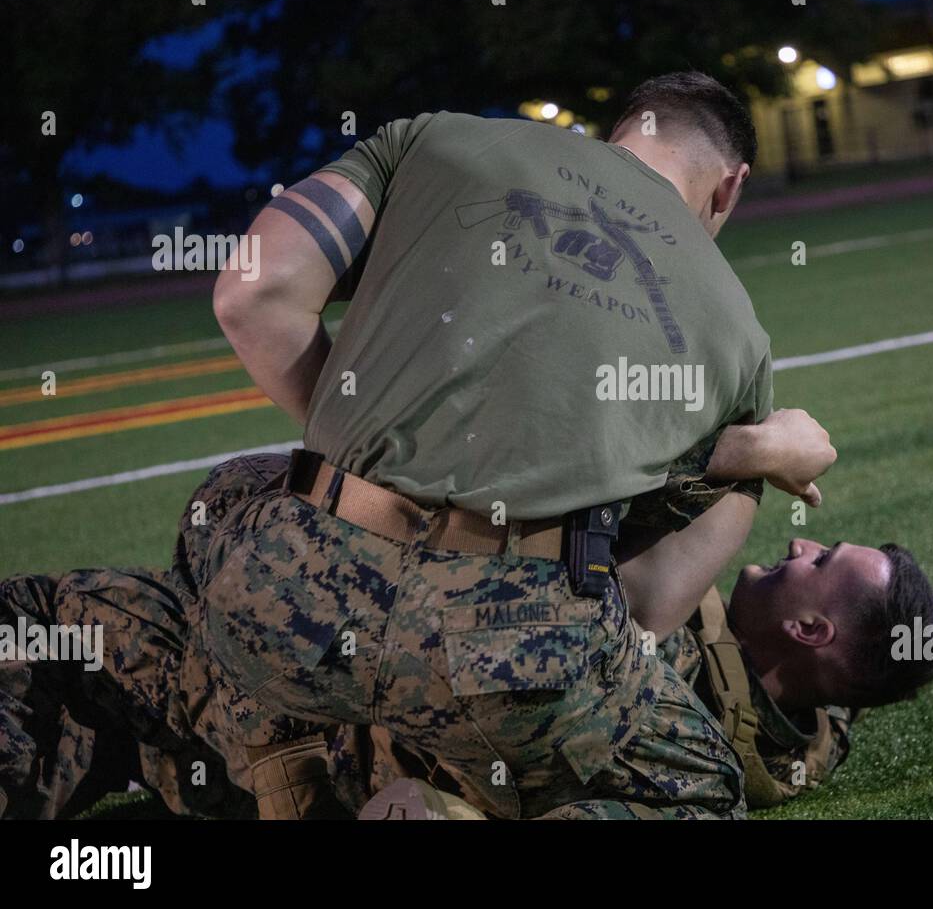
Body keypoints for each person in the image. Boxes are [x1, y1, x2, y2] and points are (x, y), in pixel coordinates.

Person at [202, 70, 838, 819]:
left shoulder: (434, 139)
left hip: (282, 600)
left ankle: (284, 767)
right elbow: (650, 606)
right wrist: (757, 448)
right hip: (500, 654)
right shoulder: (738, 331)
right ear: (729, 188)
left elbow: (252, 291)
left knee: (230, 498)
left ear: (622, 133)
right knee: (700, 786)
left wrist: (361, 458)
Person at [1, 454, 933, 819]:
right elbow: (830, 701)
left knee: (43, 634)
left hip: (268, 712)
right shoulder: (804, 729)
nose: (804, 536)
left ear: (812, 622)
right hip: (259, 706)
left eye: (823, 558)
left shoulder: (672, 721)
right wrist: (926, 638)